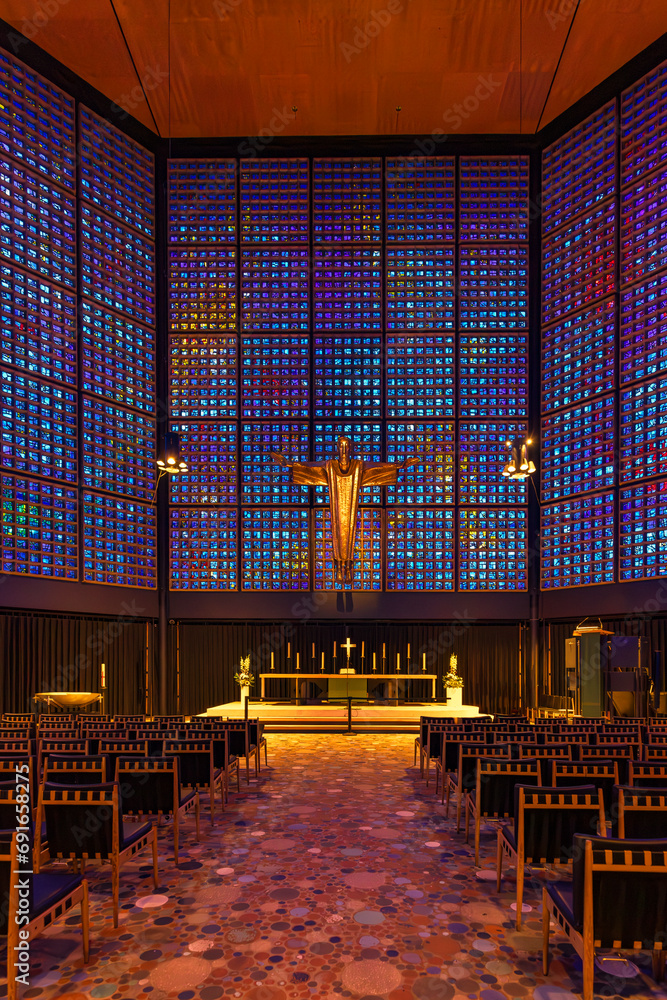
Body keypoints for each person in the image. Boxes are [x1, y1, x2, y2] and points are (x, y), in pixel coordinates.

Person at [271, 434, 420, 588]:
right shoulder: (329, 465)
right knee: (337, 533)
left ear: (351, 449)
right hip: (337, 506)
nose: (343, 450)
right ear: (337, 448)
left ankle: (347, 566)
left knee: (349, 534)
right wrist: (288, 464)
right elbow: (309, 467)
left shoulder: (358, 466)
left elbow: (378, 468)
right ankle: (340, 567)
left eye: (346, 446)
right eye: (341, 446)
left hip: (351, 505)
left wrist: (400, 466)